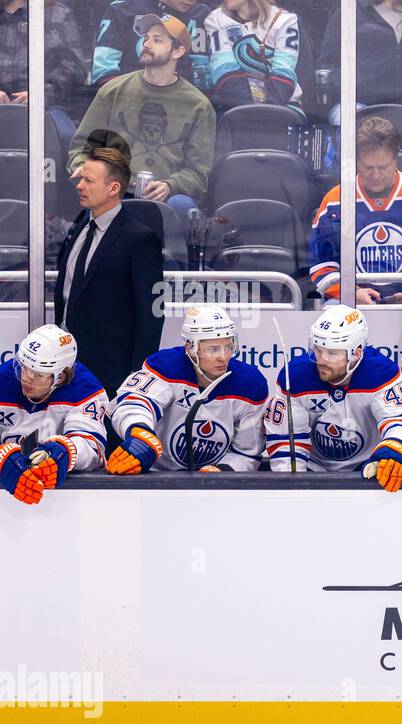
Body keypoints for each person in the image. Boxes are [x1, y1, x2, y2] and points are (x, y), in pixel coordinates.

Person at [70, 13, 217, 216]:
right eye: (146, 38)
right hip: (115, 190)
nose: (147, 44)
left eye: (157, 40)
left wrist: (170, 185)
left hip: (167, 197)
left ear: (178, 51)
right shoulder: (113, 90)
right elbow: (83, 145)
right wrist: (84, 166)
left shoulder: (198, 105)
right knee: (96, 200)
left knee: (183, 207)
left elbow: (199, 174)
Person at [265, 306, 402, 492]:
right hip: (312, 470)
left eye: (332, 353)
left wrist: (394, 448)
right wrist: (293, 487)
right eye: (318, 349)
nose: (322, 359)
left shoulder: (380, 373)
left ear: (356, 354)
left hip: (367, 471)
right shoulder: (295, 376)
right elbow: (286, 442)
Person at [53, 147, 164, 400]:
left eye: (88, 180)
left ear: (114, 188)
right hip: (66, 366)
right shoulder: (81, 224)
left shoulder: (140, 239)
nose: (79, 185)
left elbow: (151, 315)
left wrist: (138, 377)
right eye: (81, 178)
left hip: (112, 375)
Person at [106, 306, 268, 474]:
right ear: (190, 347)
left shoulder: (250, 385)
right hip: (153, 472)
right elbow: (133, 403)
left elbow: (247, 453)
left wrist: (223, 470)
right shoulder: (166, 366)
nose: (223, 356)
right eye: (213, 349)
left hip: (212, 483)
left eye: (227, 347)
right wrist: (140, 432)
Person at [309, 116, 402, 305]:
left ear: (396, 158)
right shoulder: (335, 201)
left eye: (383, 167)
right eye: (368, 167)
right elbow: (322, 265)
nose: (376, 175)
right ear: (356, 161)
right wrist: (351, 292)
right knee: (330, 308)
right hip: (349, 302)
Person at [0, 326, 109, 506]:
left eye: (38, 374)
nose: (27, 378)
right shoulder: (3, 379)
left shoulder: (85, 389)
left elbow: (92, 447)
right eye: (24, 367)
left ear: (61, 377)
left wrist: (65, 451)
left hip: (61, 504)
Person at [319, 0, 402, 125]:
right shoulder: (349, 13)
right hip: (358, 104)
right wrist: (352, 85)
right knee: (350, 125)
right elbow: (327, 66)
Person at [0, 0, 85, 145]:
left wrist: (41, 94)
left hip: (47, 107)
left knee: (67, 140)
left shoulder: (59, 14)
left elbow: (75, 67)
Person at [205, 0, 306, 114]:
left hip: (283, 103)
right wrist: (251, 110)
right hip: (234, 103)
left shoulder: (285, 20)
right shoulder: (216, 19)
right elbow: (223, 68)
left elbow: (284, 71)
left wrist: (266, 111)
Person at [92, 0, 211, 91]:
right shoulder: (122, 8)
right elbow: (103, 72)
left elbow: (203, 77)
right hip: (127, 101)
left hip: (182, 106)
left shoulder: (203, 15)